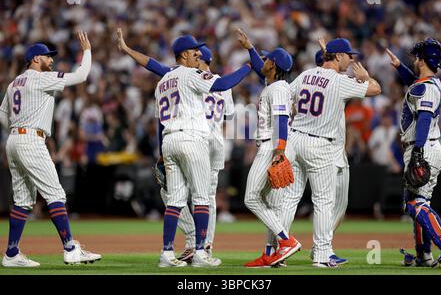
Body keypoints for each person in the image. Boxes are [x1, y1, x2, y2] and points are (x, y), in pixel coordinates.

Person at [116, 29, 236, 265]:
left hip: (179, 138)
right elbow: (228, 115)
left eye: (199, 55)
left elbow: (153, 66)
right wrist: (251, 63)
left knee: (176, 197)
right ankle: (202, 247)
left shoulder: (170, 79)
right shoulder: (196, 77)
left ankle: (182, 248)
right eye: (194, 53)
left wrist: (128, 50)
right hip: (203, 139)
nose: (197, 57)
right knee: (205, 197)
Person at [0, 32, 101, 267]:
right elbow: (82, 75)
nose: (51, 60)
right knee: (55, 194)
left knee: (24, 201)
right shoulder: (39, 78)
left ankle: (12, 254)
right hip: (30, 141)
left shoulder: (15, 82)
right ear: (36, 59)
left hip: (14, 140)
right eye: (47, 56)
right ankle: (70, 248)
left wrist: (17, 128)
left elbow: (2, 114)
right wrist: (86, 50)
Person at [288, 38, 381, 267]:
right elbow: (376, 89)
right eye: (349, 55)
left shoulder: (305, 75)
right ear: (338, 56)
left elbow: (287, 99)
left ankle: (274, 249)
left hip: (296, 139)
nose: (352, 60)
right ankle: (321, 254)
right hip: (321, 145)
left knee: (289, 199)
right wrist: (366, 76)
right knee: (323, 202)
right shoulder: (340, 81)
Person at [235, 29, 301, 268]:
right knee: (273, 205)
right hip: (276, 146)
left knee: (251, 198)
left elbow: (282, 120)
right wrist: (249, 47)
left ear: (272, 64)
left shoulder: (279, 88)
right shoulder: (274, 84)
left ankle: (286, 241)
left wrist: (279, 152)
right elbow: (257, 67)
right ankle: (271, 254)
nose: (262, 62)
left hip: (274, 147)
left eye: (266, 59)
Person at [386, 39, 441, 268]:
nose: (414, 60)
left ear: (422, 60)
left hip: (422, 148)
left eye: (416, 57)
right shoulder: (429, 84)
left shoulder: (427, 88)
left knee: (415, 204)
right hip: (424, 147)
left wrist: (418, 152)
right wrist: (399, 67)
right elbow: (415, 87)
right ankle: (424, 255)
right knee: (417, 204)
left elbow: (423, 120)